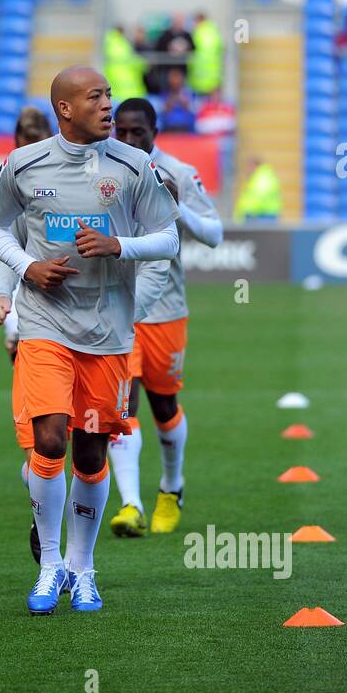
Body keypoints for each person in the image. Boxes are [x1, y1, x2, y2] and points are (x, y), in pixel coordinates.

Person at [0, 66, 181, 614]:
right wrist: (27, 268)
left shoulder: (136, 166)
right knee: (48, 440)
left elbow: (170, 236)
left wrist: (120, 245)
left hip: (109, 333)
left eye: (109, 95)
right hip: (45, 324)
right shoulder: (25, 164)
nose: (108, 105)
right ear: (64, 108)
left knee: (90, 453)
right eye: (96, 97)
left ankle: (82, 569)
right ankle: (49, 567)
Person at [107, 98, 222, 537]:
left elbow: (214, 234)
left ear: (155, 133)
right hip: (117, 305)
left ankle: (171, 487)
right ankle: (131, 504)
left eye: (140, 133)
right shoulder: (105, 171)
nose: (131, 140)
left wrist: (178, 208)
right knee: (123, 404)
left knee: (164, 405)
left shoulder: (178, 173)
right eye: (124, 132)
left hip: (166, 309)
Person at [0, 107, 54, 563]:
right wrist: (2, 299)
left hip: (84, 319)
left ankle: (45, 489)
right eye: (23, 135)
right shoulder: (7, 175)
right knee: (42, 428)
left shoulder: (68, 173)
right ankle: (40, 486)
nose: (29, 140)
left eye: (35, 134)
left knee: (76, 435)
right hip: (26, 314)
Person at [103, 25, 147, 102]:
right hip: (126, 90)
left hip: (118, 90)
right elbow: (130, 59)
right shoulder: (120, 44)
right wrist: (143, 63)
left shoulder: (111, 42)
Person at [188, 12, 223, 94]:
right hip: (214, 78)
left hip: (199, 76)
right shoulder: (215, 32)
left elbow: (191, 51)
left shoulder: (197, 33)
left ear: (198, 20)